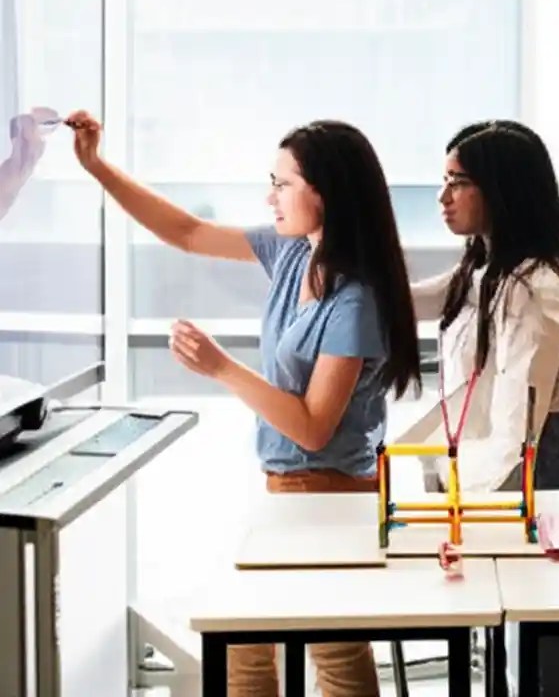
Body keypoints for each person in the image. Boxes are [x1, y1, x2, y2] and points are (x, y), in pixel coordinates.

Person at [66, 110, 422, 696]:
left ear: (326, 194)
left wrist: (221, 368)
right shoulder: (294, 253)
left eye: (282, 184)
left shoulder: (354, 301)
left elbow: (313, 428)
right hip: (296, 492)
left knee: (317, 652)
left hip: (329, 496)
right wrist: (97, 167)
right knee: (261, 647)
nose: (270, 197)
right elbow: (186, 232)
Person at [402, 120, 559, 695]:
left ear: (502, 189)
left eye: (458, 182)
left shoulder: (534, 286)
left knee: (537, 654)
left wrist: (461, 496)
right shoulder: (485, 265)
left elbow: (520, 424)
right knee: (509, 646)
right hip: (496, 466)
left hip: (534, 465)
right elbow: (418, 301)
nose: (443, 197)